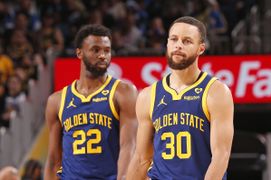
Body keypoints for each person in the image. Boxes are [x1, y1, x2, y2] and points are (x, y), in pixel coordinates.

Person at [126, 16, 234, 180]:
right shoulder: (148, 95)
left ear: (201, 48)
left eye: (187, 41)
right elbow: (142, 158)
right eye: (174, 39)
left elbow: (221, 156)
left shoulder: (216, 92)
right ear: (167, 43)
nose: (178, 45)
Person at [44, 24, 138, 180]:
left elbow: (129, 146)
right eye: (96, 50)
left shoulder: (123, 92)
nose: (103, 55)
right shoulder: (57, 100)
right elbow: (54, 159)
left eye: (107, 51)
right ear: (79, 53)